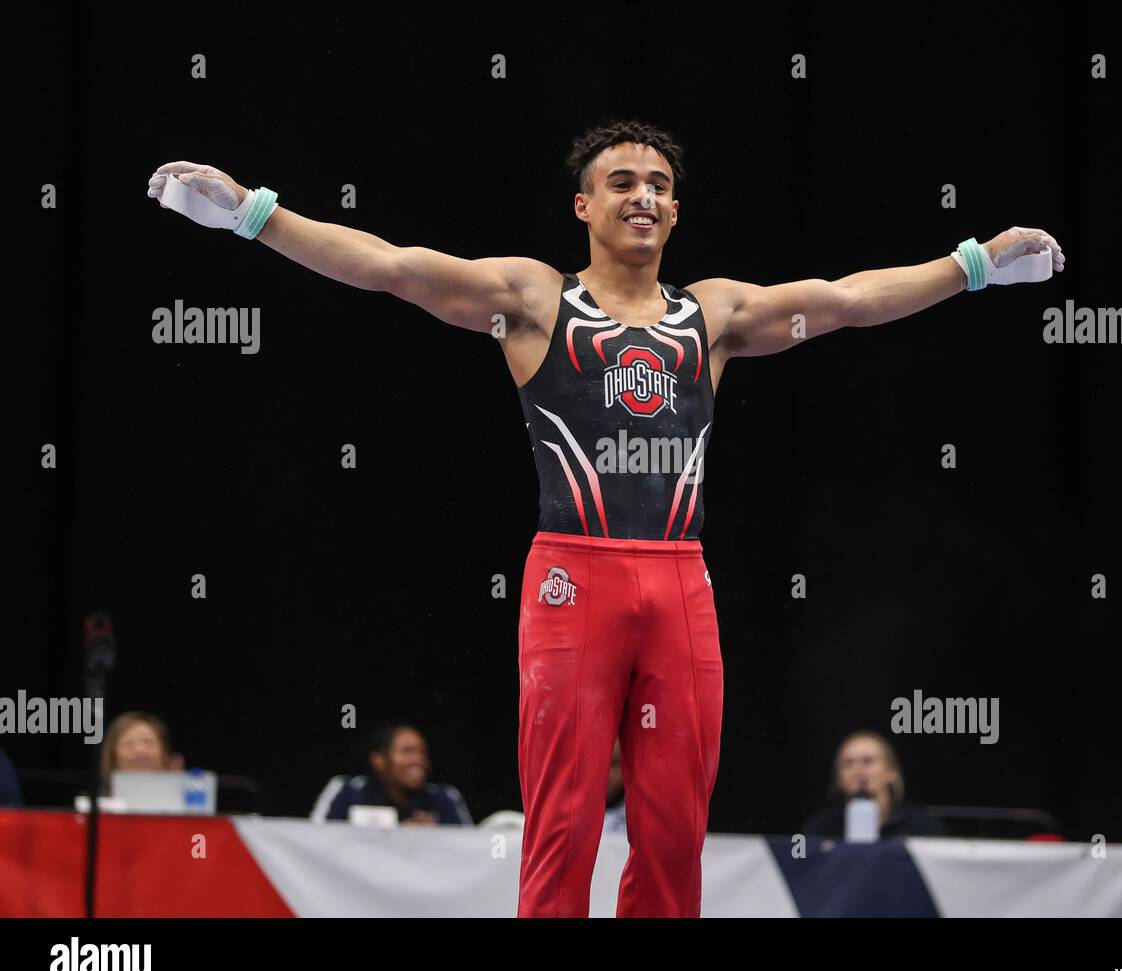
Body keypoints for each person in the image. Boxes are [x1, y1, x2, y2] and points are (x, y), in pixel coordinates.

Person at [147, 119, 1063, 917]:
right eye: (622, 181)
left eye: (660, 185)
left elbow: (850, 300)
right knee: (564, 824)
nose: (644, 196)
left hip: (679, 582)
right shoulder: (536, 297)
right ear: (582, 204)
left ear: (676, 211)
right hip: (570, 579)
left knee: (673, 832)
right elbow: (391, 268)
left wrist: (975, 265)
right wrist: (250, 214)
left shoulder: (715, 313)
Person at [802, 730, 947, 840]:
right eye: (848, 763)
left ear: (891, 771)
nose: (857, 770)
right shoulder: (819, 830)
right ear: (838, 777)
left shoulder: (922, 829)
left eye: (868, 761)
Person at [324, 723, 472, 826]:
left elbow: (469, 851)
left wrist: (436, 837)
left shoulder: (444, 797)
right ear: (379, 760)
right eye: (407, 751)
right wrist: (398, 836)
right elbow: (314, 844)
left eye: (423, 753)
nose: (419, 760)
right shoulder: (348, 791)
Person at [99, 711, 184, 793]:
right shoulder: (98, 803)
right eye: (128, 744)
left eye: (148, 742)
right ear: (113, 756)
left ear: (164, 753)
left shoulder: (185, 801)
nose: (140, 750)